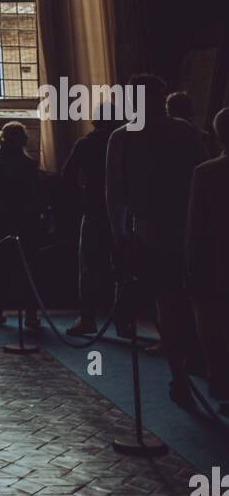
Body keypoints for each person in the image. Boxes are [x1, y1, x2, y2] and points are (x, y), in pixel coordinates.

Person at [106, 74, 206, 409]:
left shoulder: (124, 137)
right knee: (188, 301)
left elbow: (115, 192)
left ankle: (181, 370)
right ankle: (192, 367)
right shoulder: (183, 131)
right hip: (188, 228)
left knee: (169, 302)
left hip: (153, 231)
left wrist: (119, 232)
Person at [62, 107, 131, 338]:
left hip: (93, 210)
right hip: (123, 211)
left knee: (88, 268)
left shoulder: (85, 143)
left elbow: (68, 176)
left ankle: (88, 319)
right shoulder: (124, 142)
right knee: (123, 268)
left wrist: (77, 202)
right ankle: (123, 322)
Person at [186, 107, 229, 401]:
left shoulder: (206, 172)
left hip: (217, 260)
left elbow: (195, 227)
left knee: (214, 326)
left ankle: (221, 386)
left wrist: (191, 266)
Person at [0, 122, 41, 330]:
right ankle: (30, 313)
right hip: (27, 221)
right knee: (29, 269)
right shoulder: (29, 164)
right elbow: (36, 195)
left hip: (4, 221)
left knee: (3, 267)